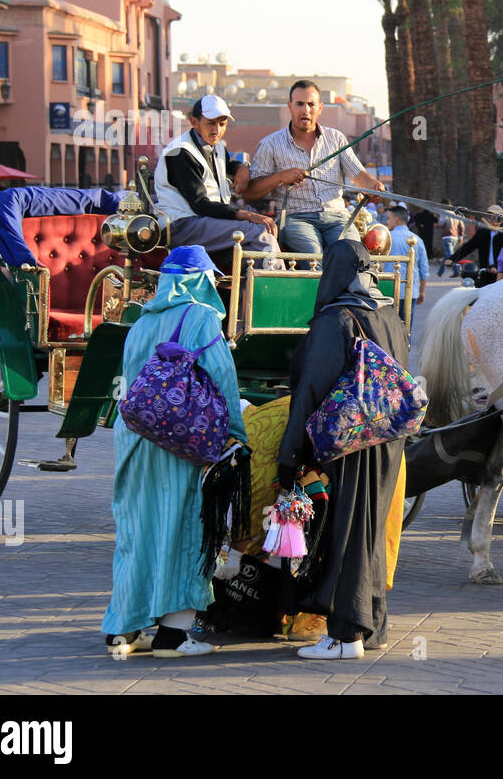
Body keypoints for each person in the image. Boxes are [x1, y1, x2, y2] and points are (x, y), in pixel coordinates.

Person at [102, 245, 249, 657]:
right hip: (180, 443)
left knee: (136, 531)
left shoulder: (140, 322)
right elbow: (222, 376)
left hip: (134, 439)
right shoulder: (200, 316)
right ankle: (175, 633)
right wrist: (235, 436)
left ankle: (124, 629)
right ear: (199, 280)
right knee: (182, 526)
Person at [276, 239, 411, 658]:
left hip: (347, 445)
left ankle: (345, 636)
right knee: (369, 530)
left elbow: (311, 389)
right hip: (387, 442)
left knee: (346, 531)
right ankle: (373, 627)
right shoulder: (389, 314)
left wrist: (289, 454)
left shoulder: (336, 320)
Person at [244, 80, 384, 256]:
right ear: (290, 106)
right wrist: (280, 177)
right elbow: (250, 193)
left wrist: (374, 186)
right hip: (296, 219)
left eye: (311, 104)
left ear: (320, 108)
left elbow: (359, 176)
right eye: (300, 104)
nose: (306, 110)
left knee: (353, 254)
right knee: (313, 257)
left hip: (338, 218)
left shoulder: (336, 139)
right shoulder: (269, 145)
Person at [154, 95, 281, 259]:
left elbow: (228, 166)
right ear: (194, 122)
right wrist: (248, 215)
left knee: (252, 253)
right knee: (259, 232)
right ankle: (278, 284)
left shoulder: (215, 146)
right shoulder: (179, 152)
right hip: (180, 226)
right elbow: (200, 205)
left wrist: (243, 167)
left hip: (205, 223)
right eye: (211, 123)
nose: (217, 130)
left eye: (222, 124)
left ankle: (253, 285)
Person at [445, 205, 503, 286]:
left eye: (495, 217)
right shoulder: (482, 233)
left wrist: (497, 267)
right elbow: (468, 247)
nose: (492, 220)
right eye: (489, 217)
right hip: (484, 272)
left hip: (502, 274)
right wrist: (453, 259)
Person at [384, 205, 429, 310]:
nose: (387, 221)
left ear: (396, 220)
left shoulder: (386, 238)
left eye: (388, 218)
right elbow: (424, 269)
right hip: (410, 291)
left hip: (389, 290)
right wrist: (422, 291)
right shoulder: (417, 240)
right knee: (407, 324)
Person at [437, 205, 464, 277]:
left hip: (447, 236)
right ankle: (440, 272)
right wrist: (461, 237)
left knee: (450, 255)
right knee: (447, 255)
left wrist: (436, 224)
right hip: (455, 237)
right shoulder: (456, 213)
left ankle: (457, 271)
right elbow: (461, 226)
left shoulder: (444, 213)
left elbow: (440, 224)